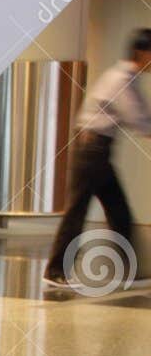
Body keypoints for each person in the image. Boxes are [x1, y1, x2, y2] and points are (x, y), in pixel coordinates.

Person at [46, 28, 151, 284]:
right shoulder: (121, 80)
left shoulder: (125, 77)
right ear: (141, 52)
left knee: (118, 210)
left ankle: (129, 269)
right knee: (79, 211)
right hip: (92, 151)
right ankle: (56, 270)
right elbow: (138, 118)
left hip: (96, 151)